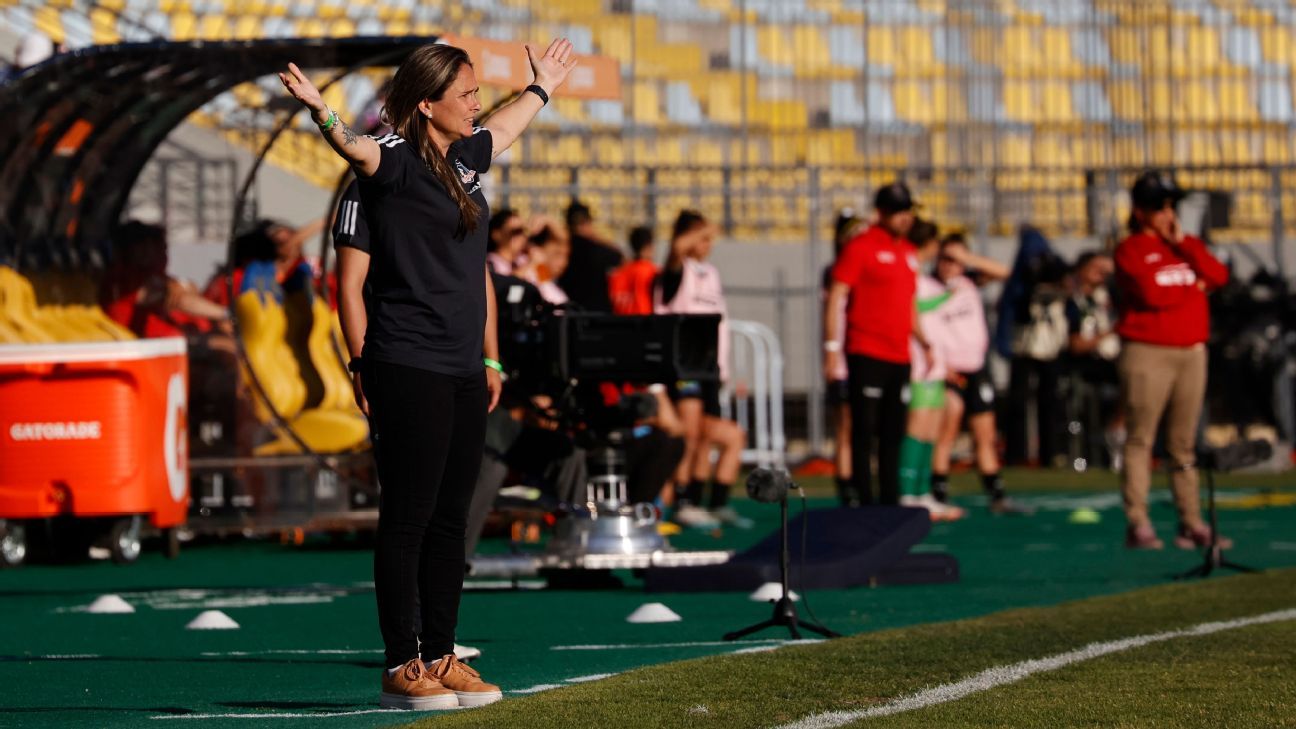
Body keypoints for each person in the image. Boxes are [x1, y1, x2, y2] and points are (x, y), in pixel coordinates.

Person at [280, 38, 578, 709]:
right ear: (426, 103)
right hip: (404, 360)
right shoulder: (389, 164)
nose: (477, 103)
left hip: (462, 365)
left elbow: (504, 130)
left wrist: (542, 88)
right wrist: (322, 112)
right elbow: (351, 146)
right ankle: (401, 662)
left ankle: (443, 654)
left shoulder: (468, 158)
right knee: (409, 514)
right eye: (466, 94)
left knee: (451, 514)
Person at [1115, 171, 1231, 550]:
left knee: (1183, 443)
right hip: (1149, 351)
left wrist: (1184, 246)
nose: (1167, 213)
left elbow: (1218, 275)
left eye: (1170, 206)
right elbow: (1152, 295)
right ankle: (1138, 520)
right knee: (1141, 438)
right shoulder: (1131, 249)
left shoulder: (1185, 245)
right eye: (1158, 207)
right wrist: (1193, 288)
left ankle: (1191, 521)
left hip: (1191, 351)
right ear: (1140, 211)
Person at [824, 182, 926, 507]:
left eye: (907, 211)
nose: (904, 218)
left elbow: (909, 303)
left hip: (899, 354)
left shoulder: (908, 252)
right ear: (881, 213)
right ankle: (863, 500)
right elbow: (837, 295)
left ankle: (890, 501)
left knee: (893, 432)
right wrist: (830, 348)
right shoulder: (862, 246)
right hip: (866, 351)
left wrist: (923, 341)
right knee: (863, 431)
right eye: (897, 212)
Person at [654, 210, 748, 529]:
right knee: (689, 435)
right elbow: (677, 250)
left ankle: (700, 500)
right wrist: (700, 229)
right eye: (701, 237)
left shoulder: (711, 273)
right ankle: (682, 501)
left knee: (706, 438)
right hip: (684, 366)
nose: (707, 243)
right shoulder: (677, 269)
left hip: (709, 369)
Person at [927, 233, 1031, 514]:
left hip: (976, 368)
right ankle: (939, 491)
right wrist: (940, 364)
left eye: (955, 260)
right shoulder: (929, 287)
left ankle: (997, 494)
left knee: (984, 432)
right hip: (948, 370)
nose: (950, 265)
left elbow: (1006, 273)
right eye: (945, 259)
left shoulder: (968, 282)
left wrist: (966, 258)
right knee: (947, 429)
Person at [897, 219, 965, 520]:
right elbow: (912, 308)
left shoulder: (923, 276)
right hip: (919, 361)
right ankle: (907, 492)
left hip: (934, 363)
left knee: (932, 428)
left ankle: (923, 492)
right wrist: (946, 298)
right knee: (918, 427)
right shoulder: (910, 272)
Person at [101, 221, 230, 338]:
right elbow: (177, 298)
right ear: (140, 250)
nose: (164, 255)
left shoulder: (153, 277)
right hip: (152, 348)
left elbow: (187, 290)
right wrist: (227, 314)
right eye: (161, 248)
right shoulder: (128, 281)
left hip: (174, 340)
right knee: (226, 349)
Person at [1064, 250, 1124, 470]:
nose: (1102, 276)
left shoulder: (1111, 299)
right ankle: (1104, 444)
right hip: (1085, 366)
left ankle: (1118, 434)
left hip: (1111, 362)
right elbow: (1076, 344)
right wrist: (1108, 333)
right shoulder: (1075, 302)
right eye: (1097, 270)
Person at [823, 211, 864, 506]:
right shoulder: (835, 271)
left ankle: (861, 483)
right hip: (844, 361)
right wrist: (832, 350)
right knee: (846, 426)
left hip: (862, 356)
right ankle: (847, 488)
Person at [558, 199, 622, 311]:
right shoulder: (596, 248)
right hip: (597, 314)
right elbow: (619, 257)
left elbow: (544, 275)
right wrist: (595, 236)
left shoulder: (561, 249)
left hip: (570, 312)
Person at [608, 225, 658, 315]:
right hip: (645, 323)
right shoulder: (653, 272)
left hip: (619, 324)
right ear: (649, 246)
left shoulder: (618, 273)